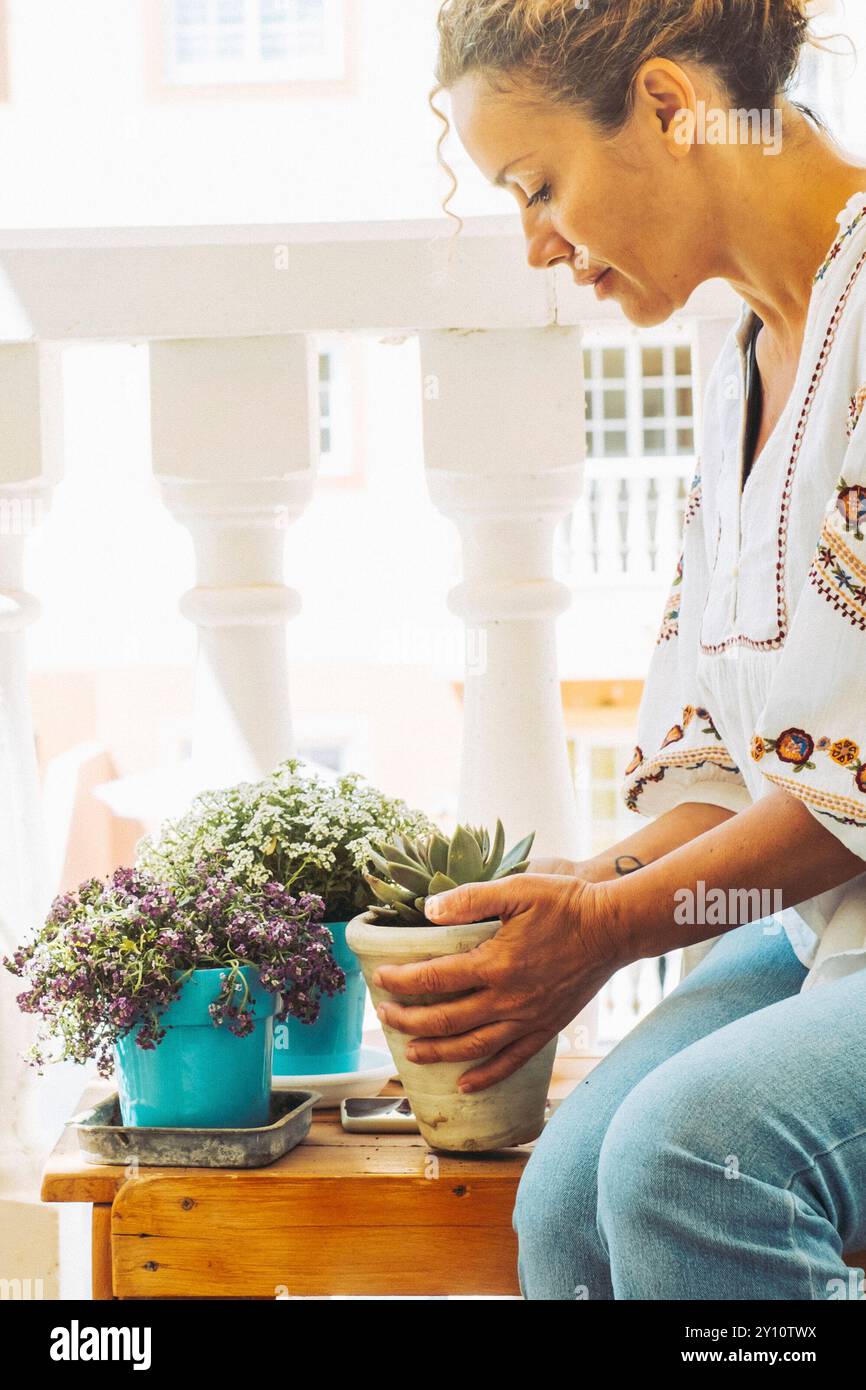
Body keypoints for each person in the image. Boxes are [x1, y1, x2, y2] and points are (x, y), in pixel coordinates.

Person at [371, 0, 866, 1299]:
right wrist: (558, 914)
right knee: (574, 1195)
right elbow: (717, 769)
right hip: (831, 929)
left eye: (538, 186)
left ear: (662, 106)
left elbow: (851, 791)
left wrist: (603, 924)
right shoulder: (743, 364)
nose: (540, 246)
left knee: (689, 1158)